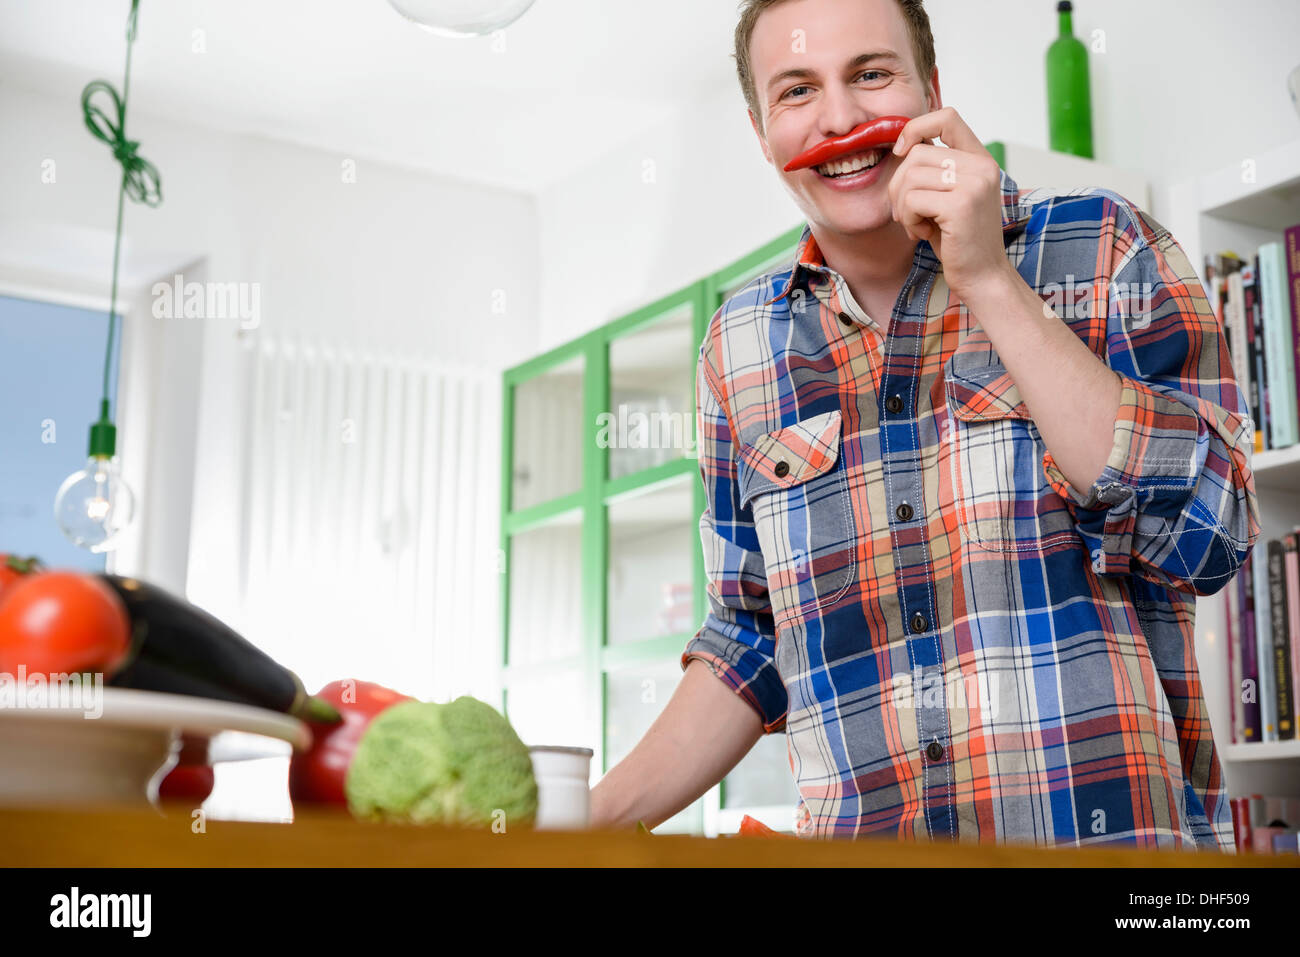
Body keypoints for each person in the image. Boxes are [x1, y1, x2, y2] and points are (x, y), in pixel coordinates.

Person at [589, 0, 1257, 849]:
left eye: (871, 74)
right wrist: (572, 829)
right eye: (798, 91)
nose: (840, 117)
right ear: (763, 134)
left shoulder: (1105, 247)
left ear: (932, 88)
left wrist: (987, 278)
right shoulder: (738, 345)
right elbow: (750, 643)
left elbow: (1214, 534)